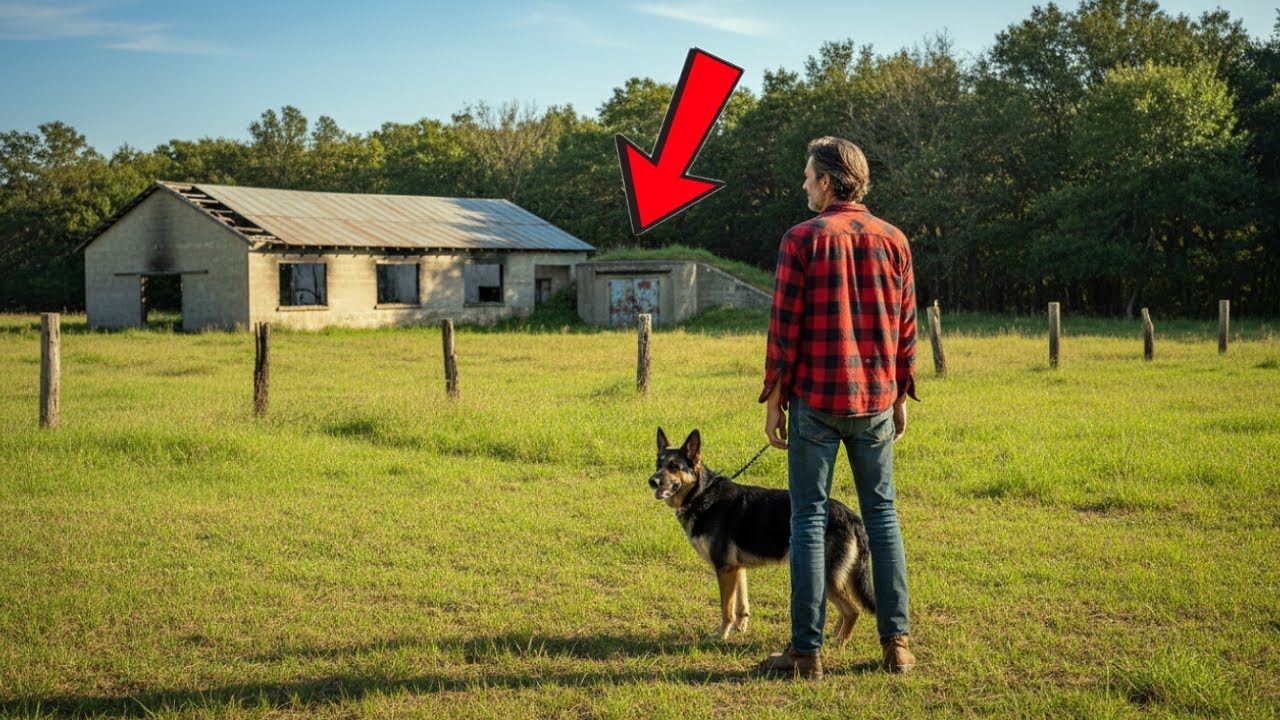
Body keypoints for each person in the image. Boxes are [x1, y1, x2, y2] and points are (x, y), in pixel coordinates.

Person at [757, 136, 919, 679]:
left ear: (827, 181)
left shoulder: (801, 240)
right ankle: (897, 645)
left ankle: (806, 654)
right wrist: (900, 395)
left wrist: (774, 400)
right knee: (883, 517)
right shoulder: (894, 240)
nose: (804, 184)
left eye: (808, 176)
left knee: (807, 520)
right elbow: (906, 330)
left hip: (815, 402)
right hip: (875, 401)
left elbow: (783, 330)